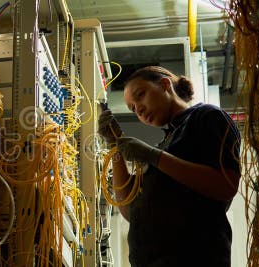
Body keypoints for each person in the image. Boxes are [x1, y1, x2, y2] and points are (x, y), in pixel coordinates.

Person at [98, 66, 241, 266]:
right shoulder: (166, 145)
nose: (138, 109)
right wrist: (115, 146)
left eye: (140, 96)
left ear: (165, 84)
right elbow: (131, 210)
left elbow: (226, 184)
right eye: (132, 108)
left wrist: (154, 157)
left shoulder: (206, 117)